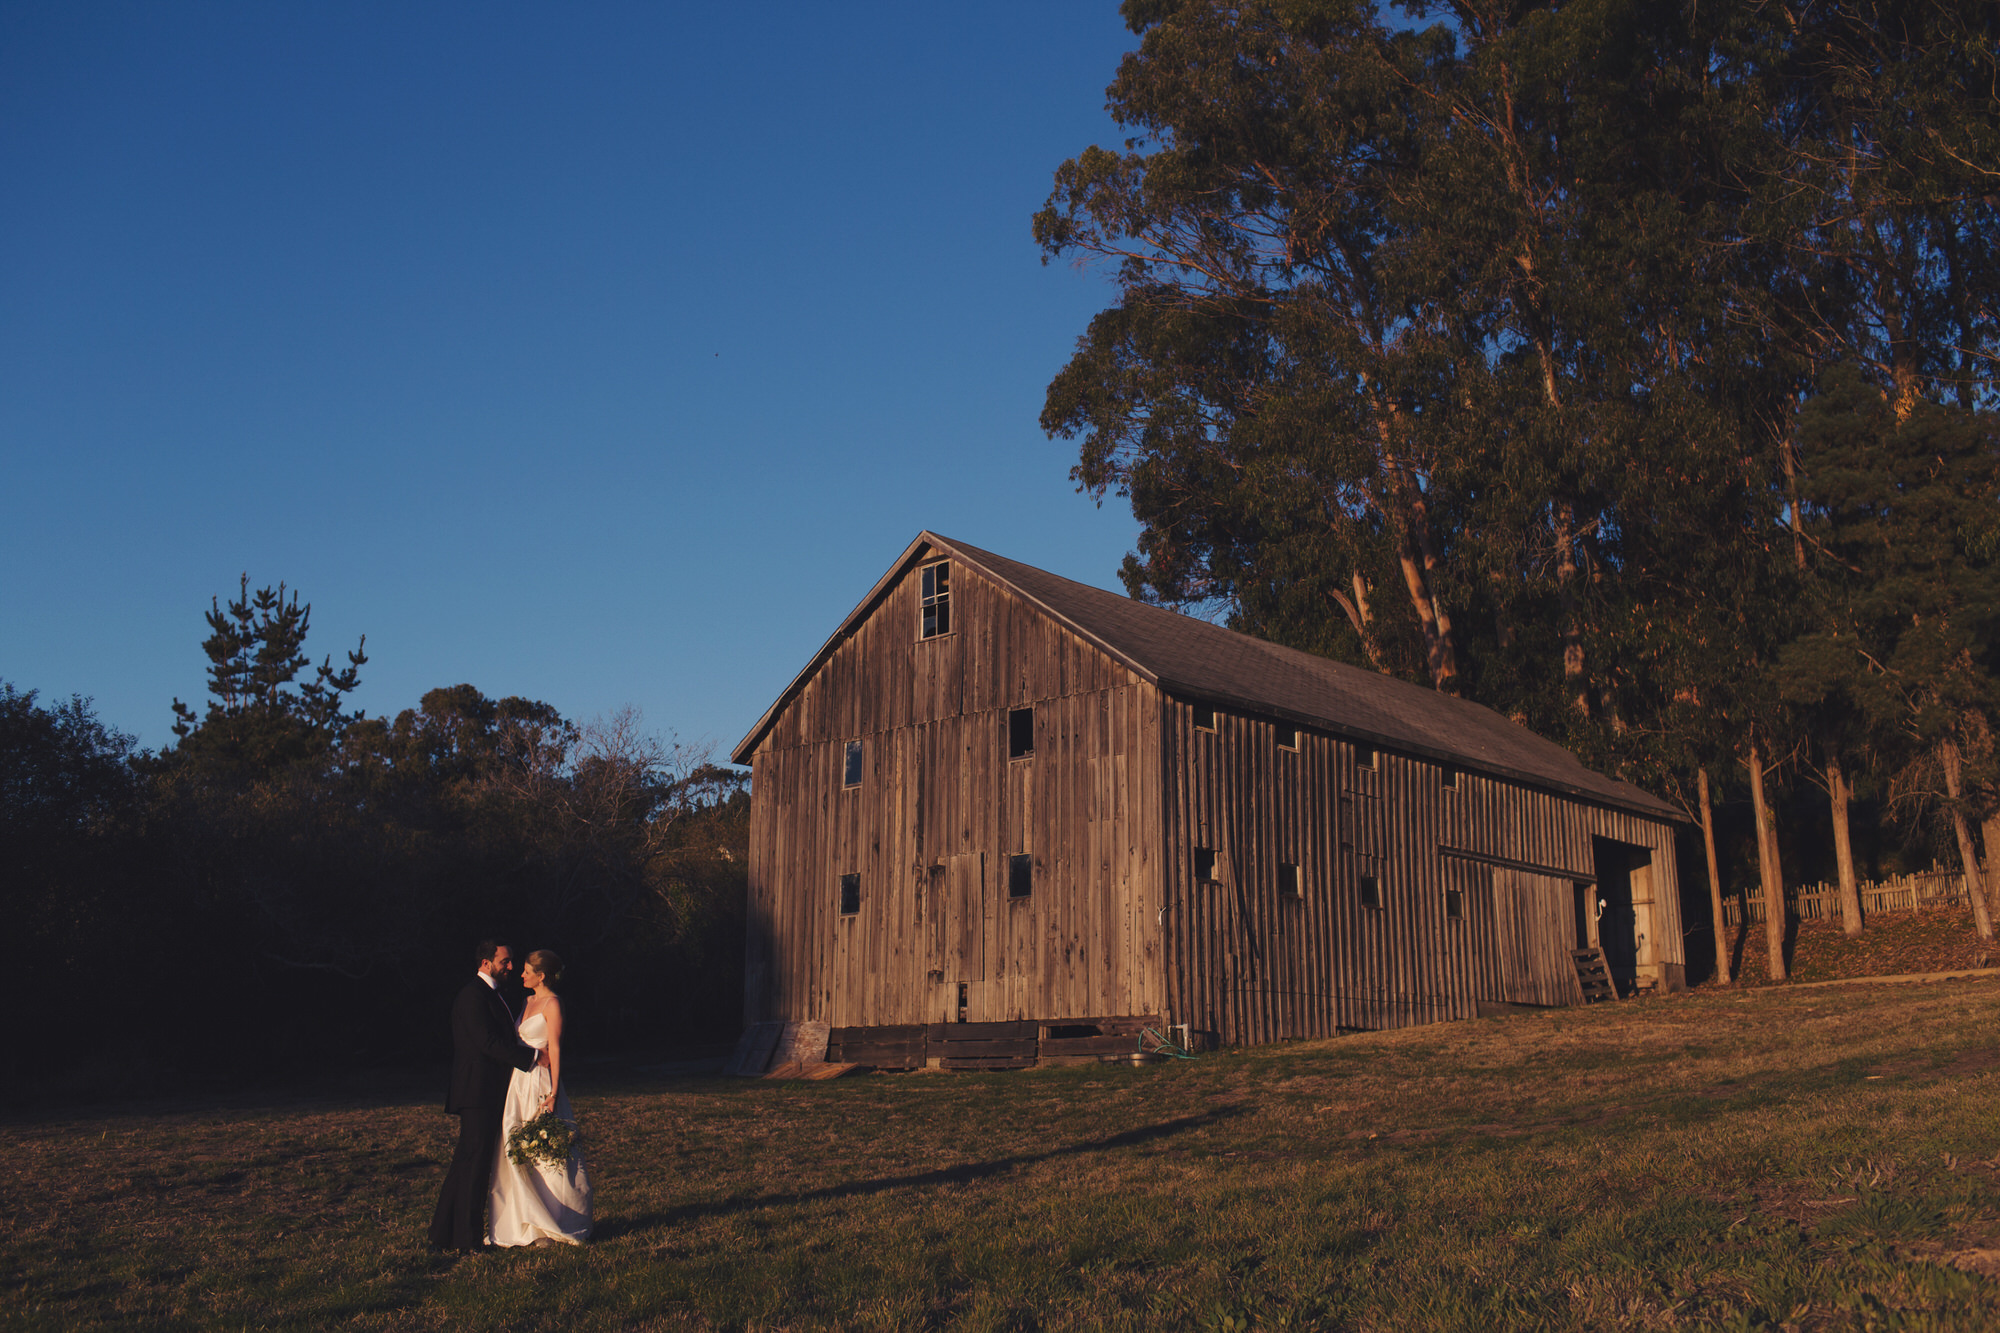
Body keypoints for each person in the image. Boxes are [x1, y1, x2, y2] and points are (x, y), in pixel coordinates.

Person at [429, 940, 543, 1252]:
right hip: (477, 1091)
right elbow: (487, 1042)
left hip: (485, 1090)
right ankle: (466, 1240)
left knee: (466, 1162)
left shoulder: (491, 995)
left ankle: (442, 1235)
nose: (510, 967)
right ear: (485, 962)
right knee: (474, 1165)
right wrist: (532, 1057)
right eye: (505, 961)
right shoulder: (472, 996)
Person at [488, 948, 593, 1246]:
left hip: (541, 1083)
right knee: (516, 1145)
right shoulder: (527, 1001)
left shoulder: (552, 1003)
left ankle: (555, 1219)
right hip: (519, 1082)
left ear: (541, 975)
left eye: (526, 971)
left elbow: (556, 1049)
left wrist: (554, 1092)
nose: (520, 974)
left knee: (547, 1150)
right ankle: (524, 1219)